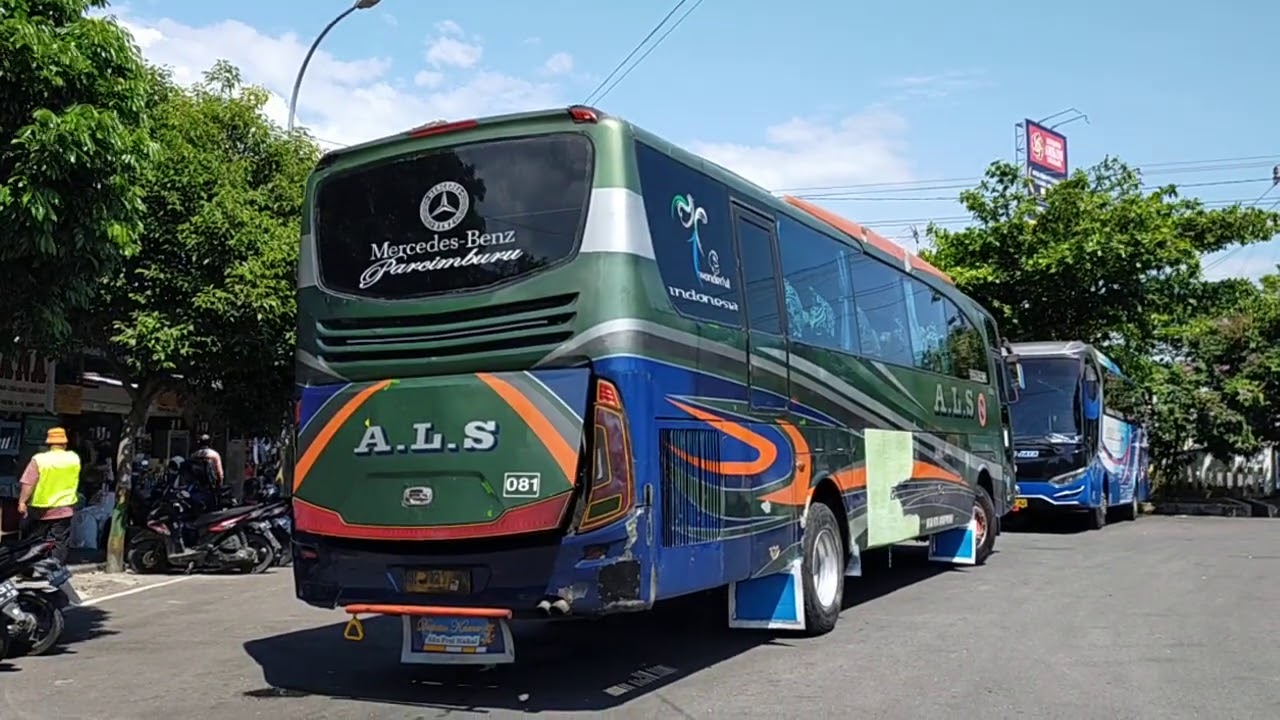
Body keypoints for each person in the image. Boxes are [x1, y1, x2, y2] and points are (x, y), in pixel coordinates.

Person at [18, 427, 82, 564]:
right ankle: (55, 569)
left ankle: (34, 567)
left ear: (48, 443)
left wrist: (22, 502)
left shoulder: (39, 459)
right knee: (59, 541)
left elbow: (28, 483)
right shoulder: (74, 458)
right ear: (65, 443)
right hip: (64, 508)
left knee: (36, 541)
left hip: (40, 509)